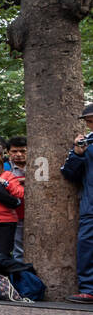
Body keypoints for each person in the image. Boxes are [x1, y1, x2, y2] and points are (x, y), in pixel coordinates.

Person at [60, 104, 93, 303]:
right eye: (89, 120)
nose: (90, 123)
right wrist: (77, 154)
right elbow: (69, 173)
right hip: (90, 205)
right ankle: (88, 289)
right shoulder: (86, 144)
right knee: (86, 245)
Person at [5, 137, 27, 258]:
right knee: (18, 249)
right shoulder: (3, 167)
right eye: (14, 151)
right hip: (14, 214)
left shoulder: (39, 165)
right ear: (8, 152)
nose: (18, 154)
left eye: (23, 151)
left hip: (37, 214)